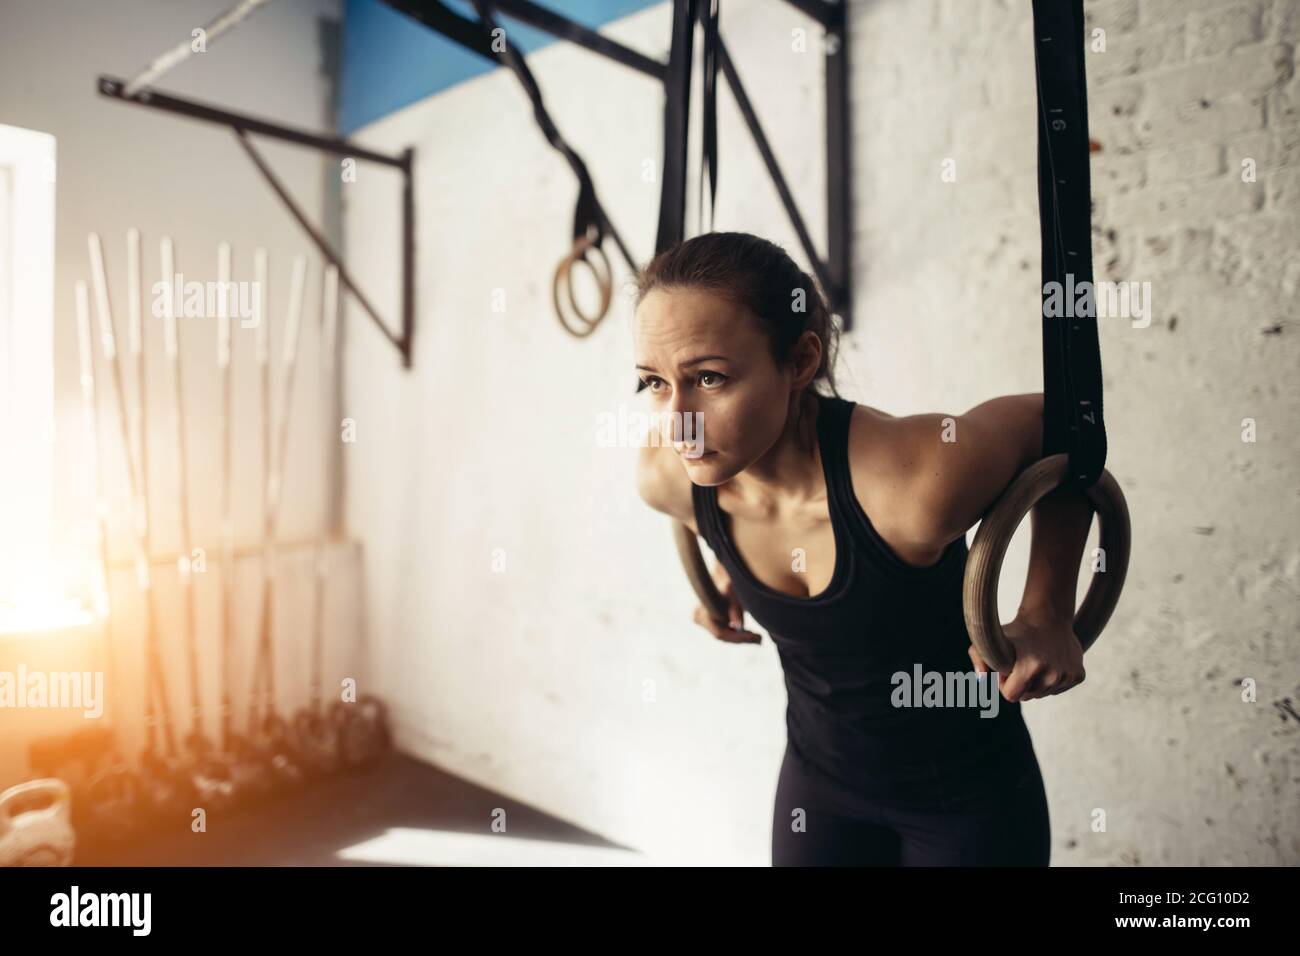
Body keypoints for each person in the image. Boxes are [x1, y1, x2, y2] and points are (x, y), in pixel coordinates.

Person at [633, 232, 1095, 866]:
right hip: (817, 790)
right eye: (653, 383)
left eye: (709, 378)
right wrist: (730, 567)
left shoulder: (916, 485)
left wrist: (1048, 609)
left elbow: (1067, 422)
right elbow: (753, 515)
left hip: (967, 804)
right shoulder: (671, 480)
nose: (676, 422)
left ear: (799, 362)